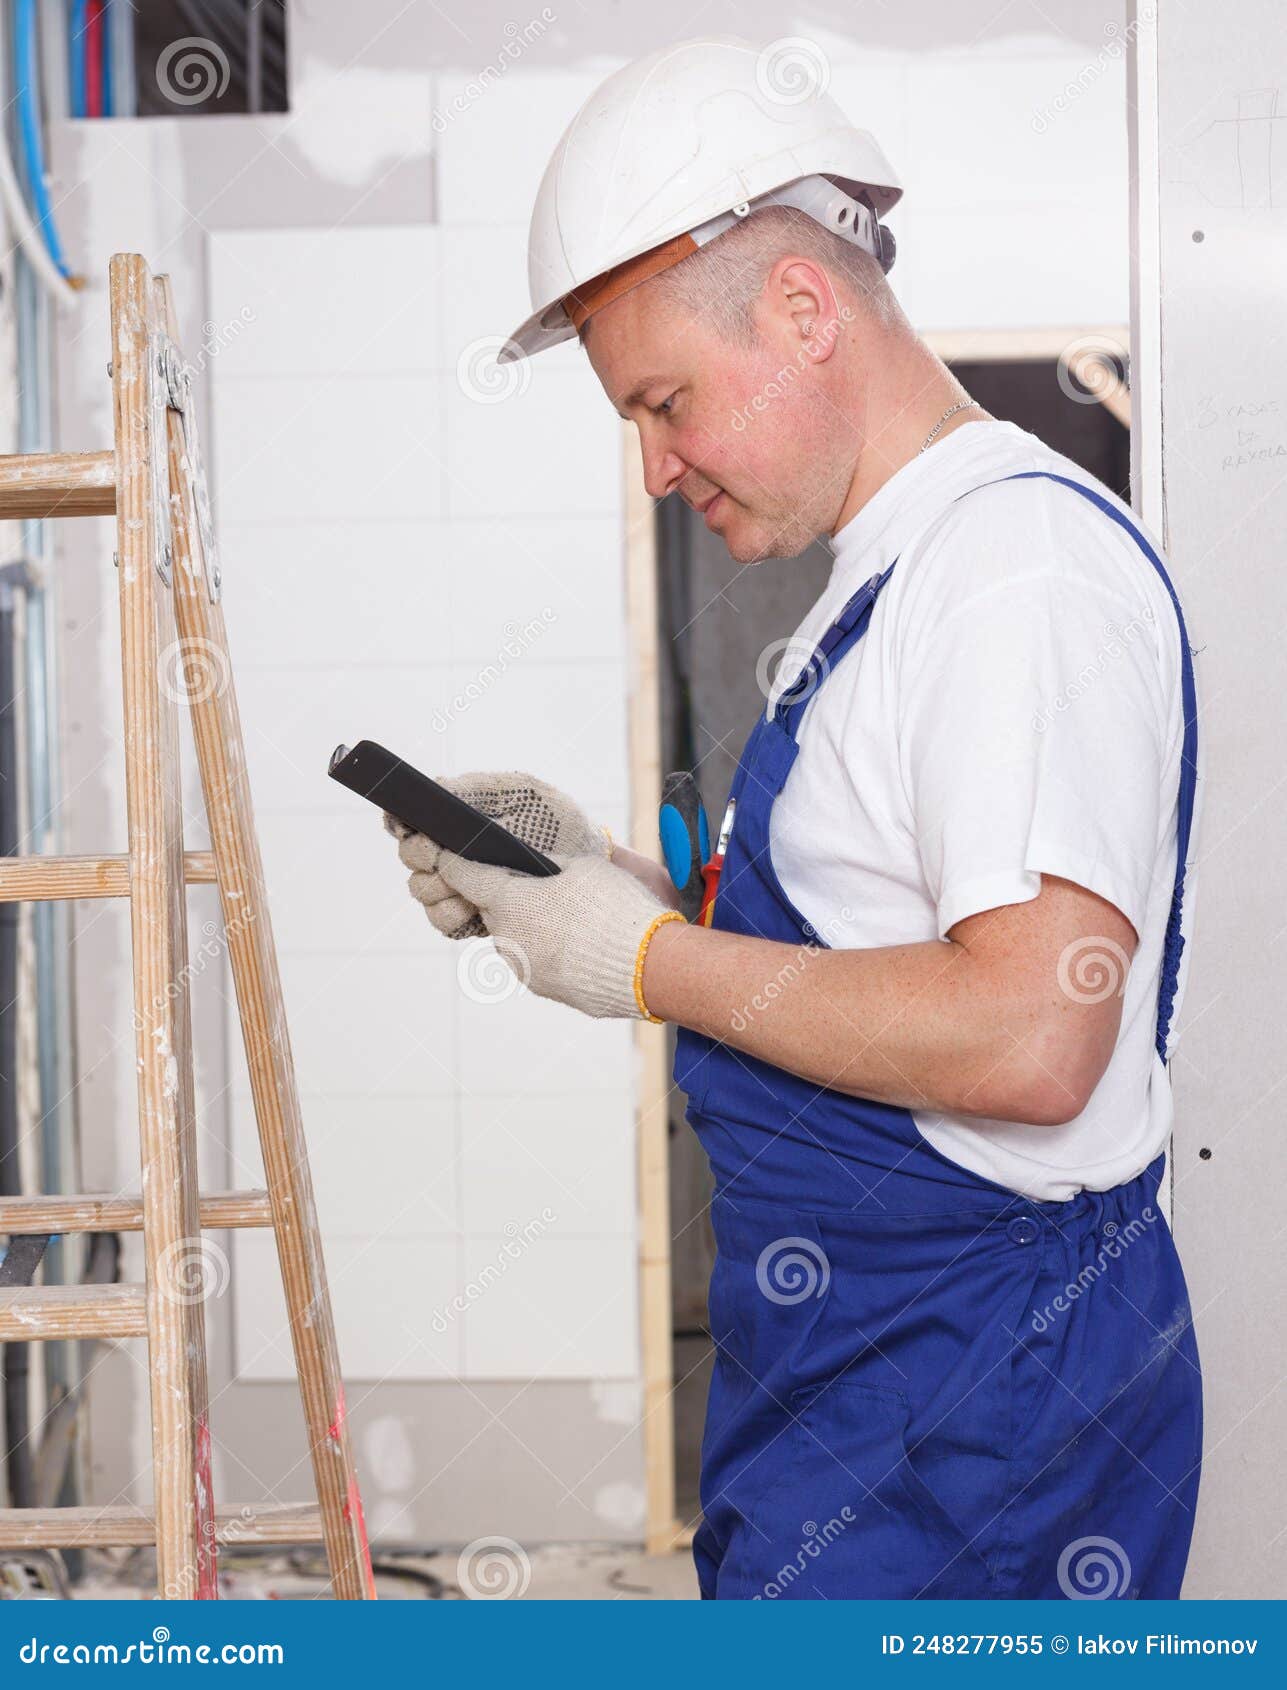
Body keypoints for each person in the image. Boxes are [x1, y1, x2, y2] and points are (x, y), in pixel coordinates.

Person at [386, 37, 1203, 1600]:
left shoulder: (1010, 575)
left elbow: (1034, 1034)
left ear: (804, 308)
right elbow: (871, 951)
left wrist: (635, 961)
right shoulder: (896, 580)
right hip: (869, 1397)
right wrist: (587, 876)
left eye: (666, 401)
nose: (652, 466)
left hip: (974, 1427)